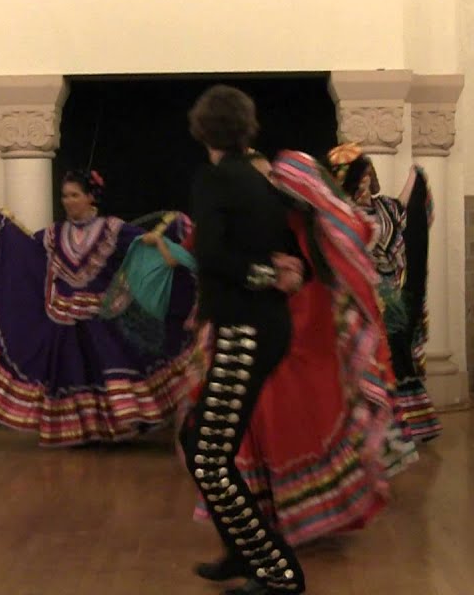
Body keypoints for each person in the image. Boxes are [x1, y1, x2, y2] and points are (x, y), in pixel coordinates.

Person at [180, 149, 394, 580]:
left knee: (250, 440)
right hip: (256, 339)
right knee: (227, 447)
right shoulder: (253, 221)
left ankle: (270, 557)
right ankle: (246, 549)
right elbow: (212, 257)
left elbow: (301, 280)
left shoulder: (298, 228)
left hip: (285, 342)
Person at [0, 168, 196, 446]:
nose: (68, 201)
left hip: (103, 321)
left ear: (91, 197)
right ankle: (81, 432)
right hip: (64, 323)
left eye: (75, 195)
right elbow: (26, 250)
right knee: (72, 375)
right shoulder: (54, 234)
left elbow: (141, 244)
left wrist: (160, 238)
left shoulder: (112, 229)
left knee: (106, 375)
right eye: (65, 196)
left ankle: (112, 430)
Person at [181, 85, 308, 594]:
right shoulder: (261, 183)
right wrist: (277, 274)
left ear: (201, 129)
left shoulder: (215, 181)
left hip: (245, 330)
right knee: (199, 441)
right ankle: (240, 551)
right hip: (261, 328)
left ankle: (277, 572)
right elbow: (296, 261)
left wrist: (263, 276)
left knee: (208, 454)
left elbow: (210, 254)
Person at [327, 144, 440, 443]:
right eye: (359, 176)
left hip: (389, 297)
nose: (366, 181)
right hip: (357, 299)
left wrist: (415, 177)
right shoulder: (340, 216)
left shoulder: (386, 207)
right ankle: (364, 428)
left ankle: (407, 424)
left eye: (367, 174)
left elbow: (404, 206)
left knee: (396, 355)